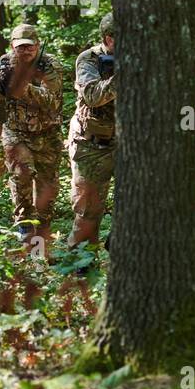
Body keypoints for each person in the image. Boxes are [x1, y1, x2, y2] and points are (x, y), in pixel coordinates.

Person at [0, 23, 64, 249]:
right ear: (12, 46)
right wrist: (1, 85)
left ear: (38, 45)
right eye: (20, 47)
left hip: (47, 134)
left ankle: (43, 235)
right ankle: (26, 230)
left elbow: (51, 100)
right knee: (21, 176)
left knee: (47, 187)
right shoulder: (4, 63)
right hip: (16, 132)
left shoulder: (50, 64)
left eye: (29, 47)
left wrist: (21, 86)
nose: (25, 51)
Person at [67, 14, 116, 248]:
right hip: (91, 145)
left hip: (127, 143)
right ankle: (81, 263)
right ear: (109, 39)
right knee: (88, 210)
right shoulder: (89, 59)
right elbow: (92, 95)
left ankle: (119, 246)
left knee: (140, 199)